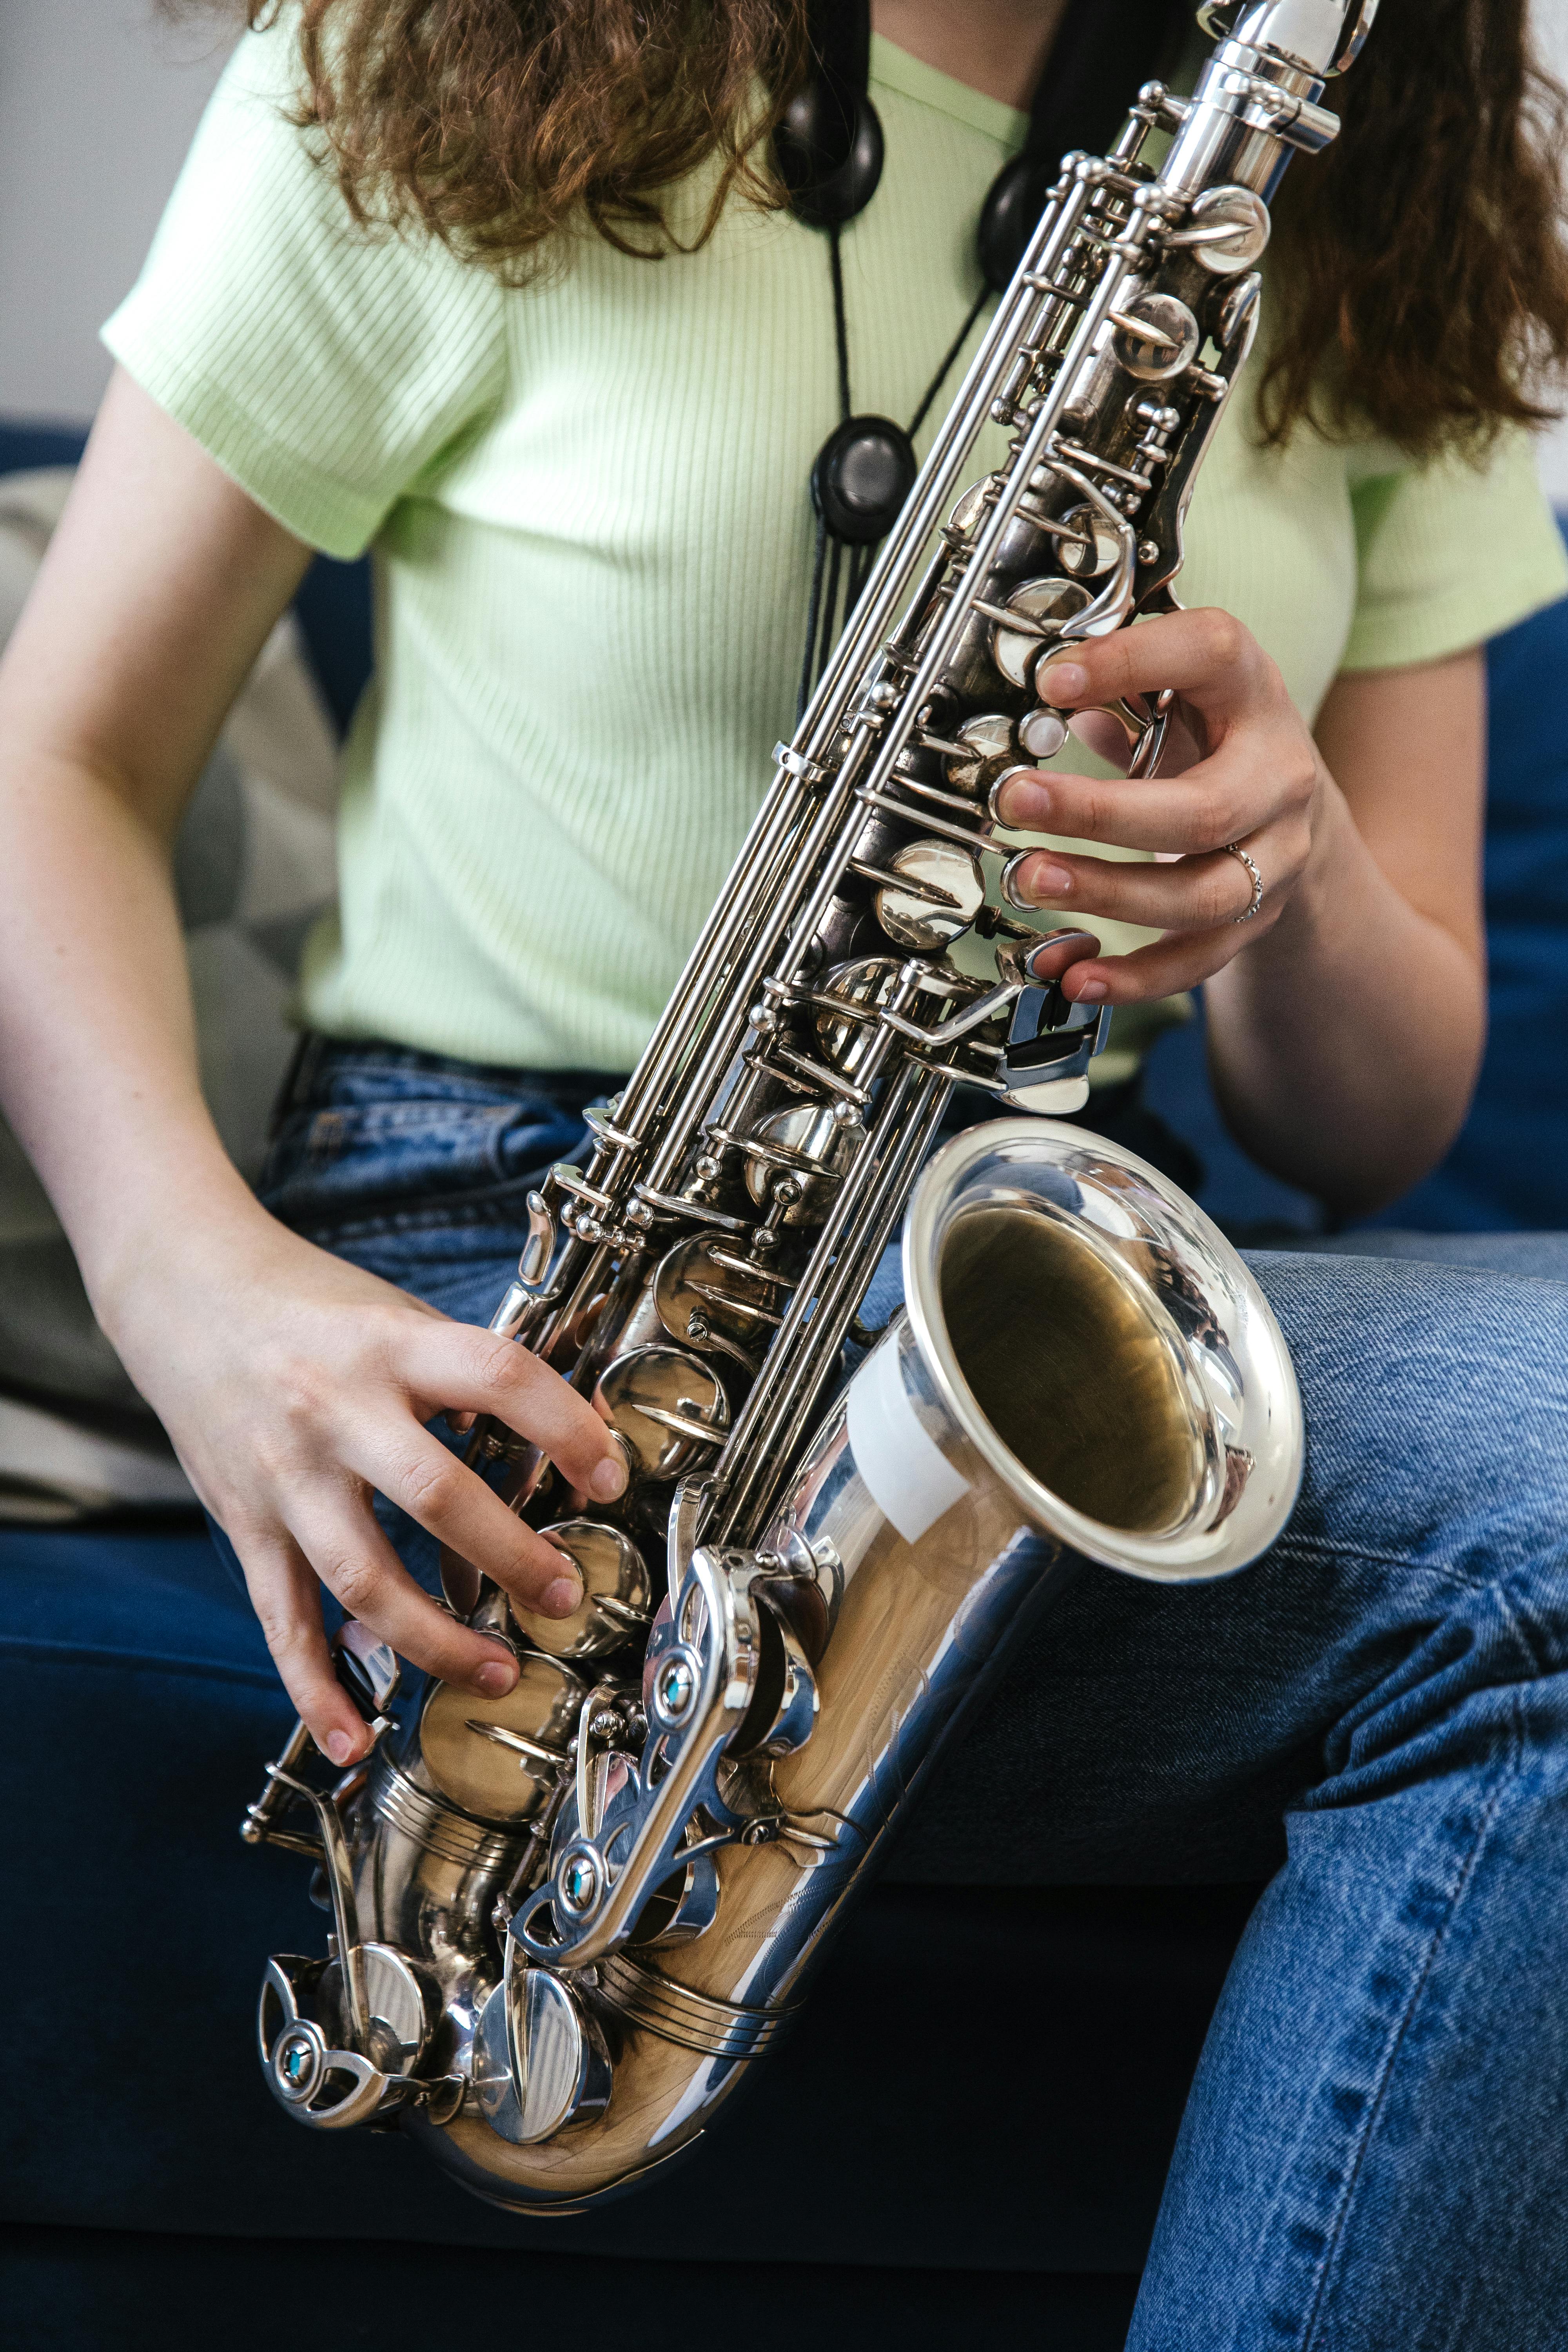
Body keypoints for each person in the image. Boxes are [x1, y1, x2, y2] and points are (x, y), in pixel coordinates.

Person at [3, 0, 1568, 2338]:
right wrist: (193, 1294)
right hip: (518, 1296)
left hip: (1032, 1226)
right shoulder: (445, 52)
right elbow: (61, 759)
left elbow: (1376, 1112)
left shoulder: (1384, 188)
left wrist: (1297, 871)